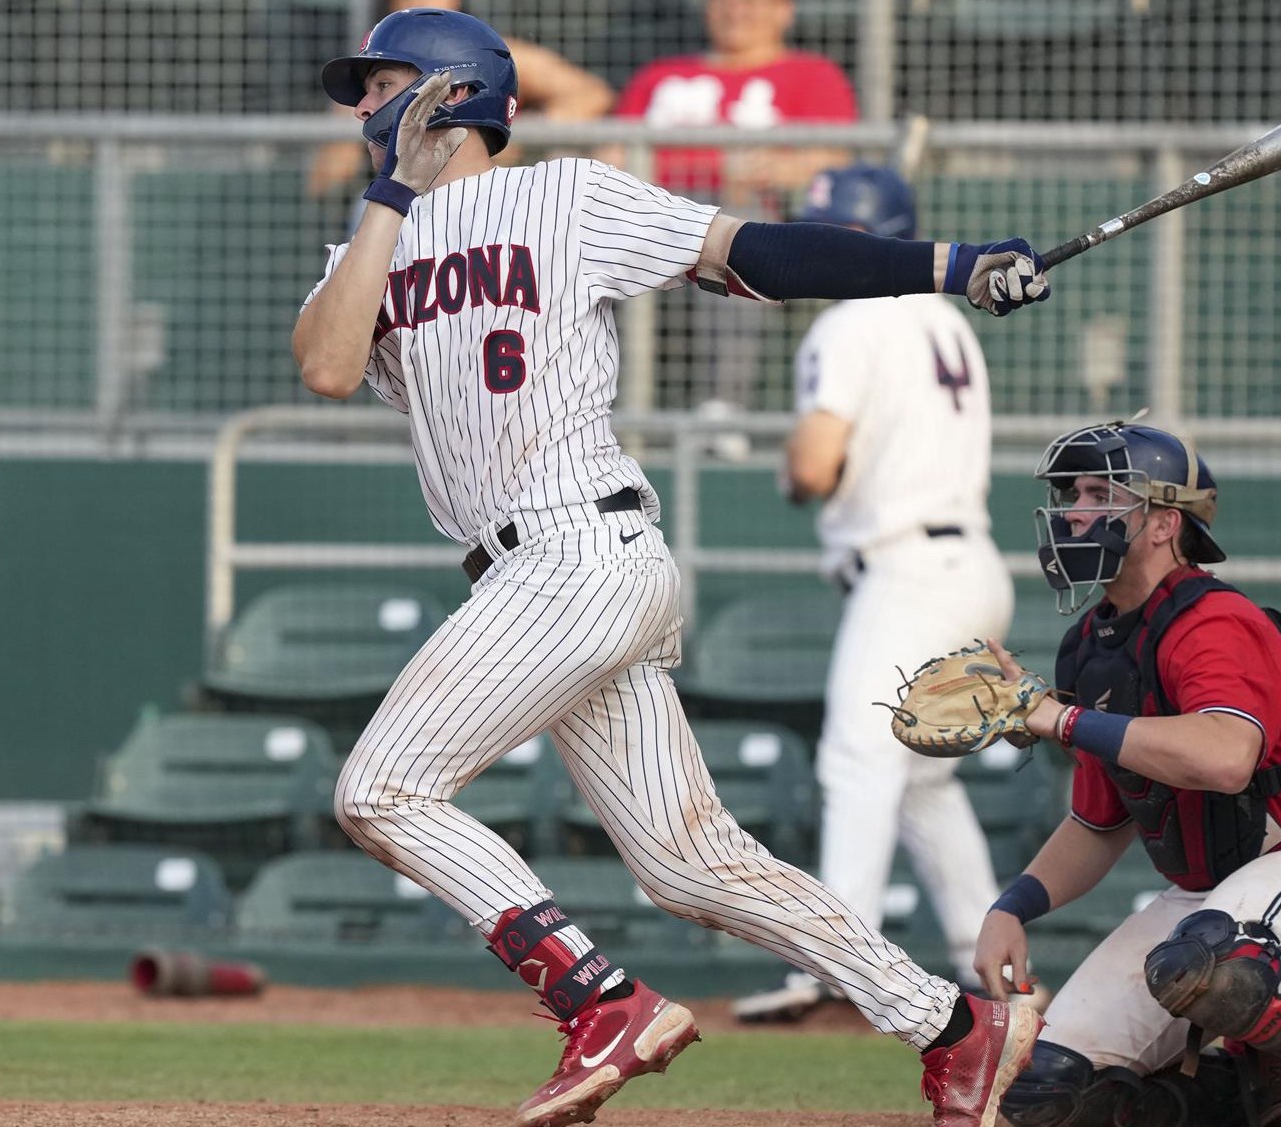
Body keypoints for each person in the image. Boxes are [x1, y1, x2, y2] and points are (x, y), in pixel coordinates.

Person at [291, 9, 1051, 1127]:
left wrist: (944, 265)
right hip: (529, 577)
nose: (360, 105)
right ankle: (953, 1027)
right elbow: (323, 365)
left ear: (452, 92)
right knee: (690, 863)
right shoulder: (368, 243)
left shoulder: (562, 195)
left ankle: (598, 1000)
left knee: (381, 788)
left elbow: (754, 251)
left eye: (379, 82)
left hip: (575, 547)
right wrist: (392, 195)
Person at [969, 421, 1281, 1127]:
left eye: (1101, 494)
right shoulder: (1090, 646)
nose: (1074, 512)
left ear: (1163, 522)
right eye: (1072, 494)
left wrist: (1064, 719)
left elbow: (1226, 758)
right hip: (1212, 900)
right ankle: (1253, 1087)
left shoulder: (1213, 620)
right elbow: (1098, 823)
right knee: (1045, 1094)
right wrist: (1010, 907)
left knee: (1213, 960)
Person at [730, 164, 1011, 1024]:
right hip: (971, 566)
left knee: (859, 755)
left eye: (831, 231)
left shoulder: (853, 318)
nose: (814, 245)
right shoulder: (945, 318)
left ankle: (833, 963)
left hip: (908, 572)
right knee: (920, 779)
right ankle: (991, 965)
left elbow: (816, 465)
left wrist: (791, 471)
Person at [607, 0, 858, 416]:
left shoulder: (812, 75)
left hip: (750, 222)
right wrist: (721, 166)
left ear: (783, 11)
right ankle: (602, 409)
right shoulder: (660, 76)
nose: (737, 11)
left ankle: (722, 409)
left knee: (733, 224)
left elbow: (834, 159)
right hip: (656, 220)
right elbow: (611, 156)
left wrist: (779, 169)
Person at [305, 0, 614, 198]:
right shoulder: (371, 82)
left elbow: (591, 94)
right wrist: (378, 135)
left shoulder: (498, 54)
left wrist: (506, 135)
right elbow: (323, 184)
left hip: (498, 194)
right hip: (408, 204)